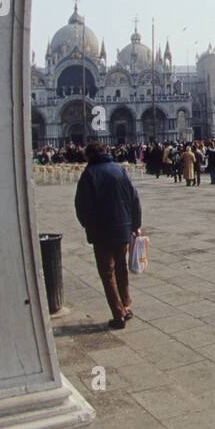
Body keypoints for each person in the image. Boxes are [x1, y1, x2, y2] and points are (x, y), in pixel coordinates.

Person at [74, 141, 142, 330]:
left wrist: (88, 225)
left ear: (89, 155)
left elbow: (81, 206)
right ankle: (127, 305)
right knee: (121, 268)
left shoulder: (89, 174)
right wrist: (135, 224)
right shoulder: (119, 170)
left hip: (101, 232)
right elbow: (134, 197)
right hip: (122, 229)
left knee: (107, 273)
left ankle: (118, 314)